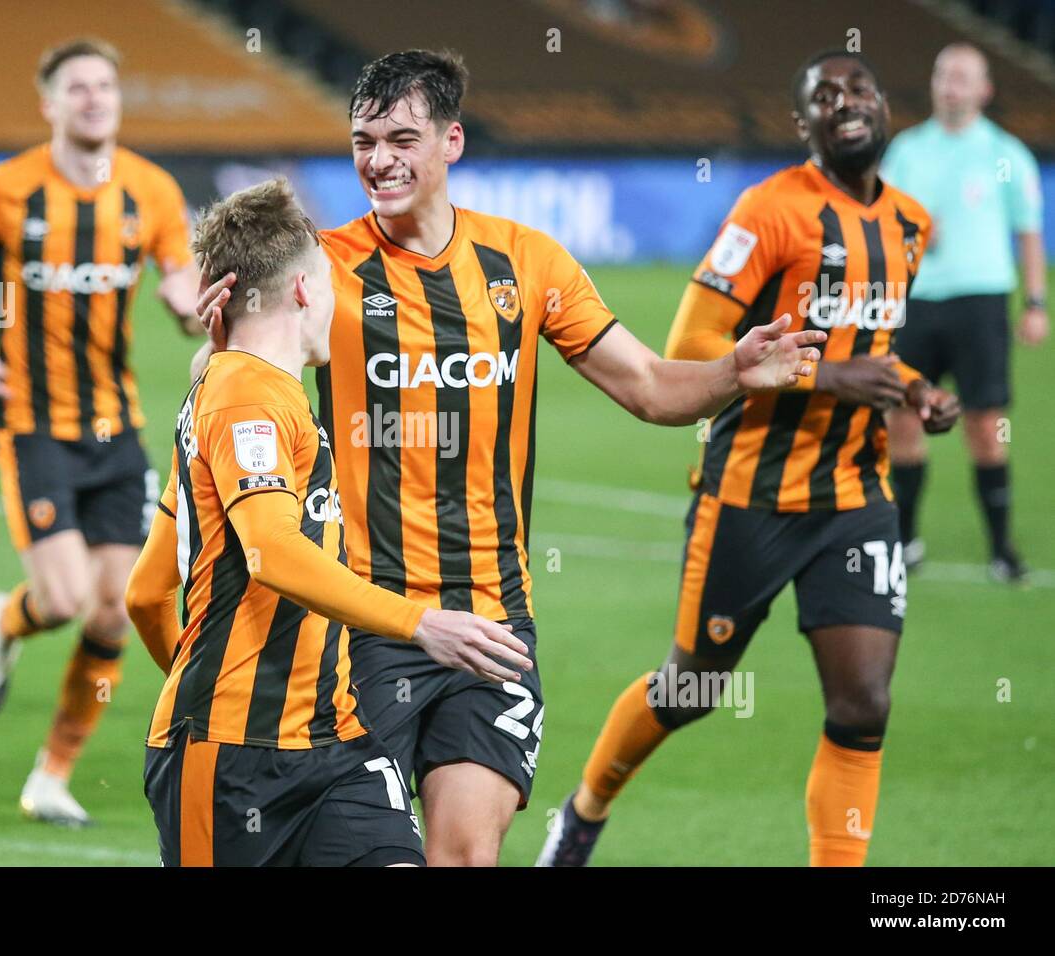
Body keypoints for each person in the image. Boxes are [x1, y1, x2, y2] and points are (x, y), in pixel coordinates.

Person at [192, 50, 822, 865]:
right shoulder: (327, 270)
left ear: (451, 142)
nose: (379, 159)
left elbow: (651, 388)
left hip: (491, 626)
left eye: (401, 138)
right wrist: (214, 346)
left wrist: (734, 372)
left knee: (463, 856)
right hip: (360, 623)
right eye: (363, 140)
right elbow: (240, 382)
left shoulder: (527, 263)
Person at [538, 50, 960, 868]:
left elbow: (869, 343)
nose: (845, 102)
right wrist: (828, 374)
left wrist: (910, 389)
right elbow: (690, 345)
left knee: (864, 702)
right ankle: (584, 812)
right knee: (691, 687)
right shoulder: (768, 212)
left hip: (855, 494)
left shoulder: (910, 223)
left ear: (884, 107)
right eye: (823, 96)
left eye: (859, 88)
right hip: (750, 494)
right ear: (803, 125)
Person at [127, 177, 536, 866]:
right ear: (305, 292)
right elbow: (271, 553)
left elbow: (145, 593)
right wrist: (420, 622)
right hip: (231, 764)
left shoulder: (244, 391)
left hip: (337, 746)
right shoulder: (245, 400)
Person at [0, 38, 200, 825]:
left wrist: (193, 308)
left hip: (119, 430)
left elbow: (179, 281)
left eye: (105, 85)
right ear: (49, 103)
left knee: (114, 608)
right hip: (31, 423)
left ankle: (50, 775)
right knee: (68, 595)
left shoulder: (152, 190)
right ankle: (3, 620)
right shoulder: (5, 190)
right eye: (76, 88)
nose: (93, 98)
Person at [882, 42, 1047, 583]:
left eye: (962, 76)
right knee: (902, 416)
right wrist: (913, 233)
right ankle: (905, 543)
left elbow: (1028, 233)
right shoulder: (905, 151)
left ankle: (1001, 547)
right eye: (942, 73)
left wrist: (1036, 303)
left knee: (985, 423)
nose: (950, 84)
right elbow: (879, 221)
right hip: (915, 303)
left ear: (984, 90)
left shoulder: (1005, 155)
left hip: (980, 301)